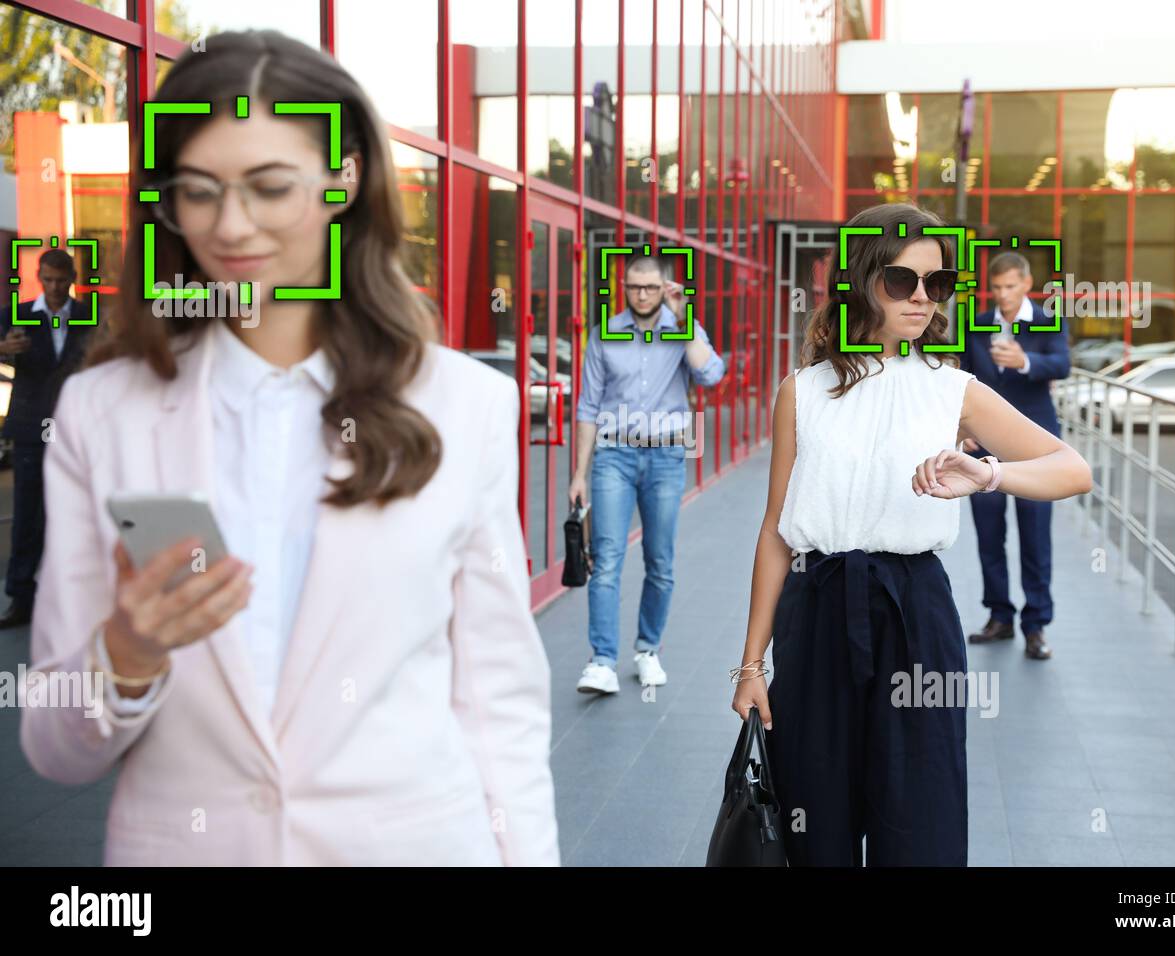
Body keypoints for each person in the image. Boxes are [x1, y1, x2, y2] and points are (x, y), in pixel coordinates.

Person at [19, 29, 559, 866]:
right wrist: (125, 657)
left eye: (270, 187)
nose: (231, 227)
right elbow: (54, 746)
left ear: (343, 180)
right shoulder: (103, 412)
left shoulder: (466, 406)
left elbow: (499, 708)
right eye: (197, 192)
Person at [731, 203, 1091, 866]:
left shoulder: (952, 390)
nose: (923, 297)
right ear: (861, 282)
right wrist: (751, 666)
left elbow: (1072, 469)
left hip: (916, 613)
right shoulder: (802, 391)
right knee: (815, 828)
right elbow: (777, 534)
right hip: (816, 612)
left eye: (938, 283)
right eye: (903, 281)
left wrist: (987, 475)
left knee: (919, 823)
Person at [567, 255, 726, 694]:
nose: (641, 295)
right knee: (607, 559)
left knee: (660, 561)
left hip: (665, 458)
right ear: (625, 287)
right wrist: (578, 473)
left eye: (651, 288)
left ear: (664, 289)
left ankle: (647, 650)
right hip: (613, 456)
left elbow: (711, 373)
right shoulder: (604, 335)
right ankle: (601, 661)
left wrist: (683, 314)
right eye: (634, 287)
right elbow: (587, 408)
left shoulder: (682, 328)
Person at [960, 251, 1072, 660]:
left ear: (1026, 284)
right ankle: (999, 616)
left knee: (1035, 536)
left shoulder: (1048, 320)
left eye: (1011, 287)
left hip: (1035, 446)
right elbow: (962, 375)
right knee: (989, 535)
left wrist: (1026, 361)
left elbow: (1063, 365)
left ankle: (1036, 625)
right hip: (983, 446)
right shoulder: (976, 322)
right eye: (998, 288)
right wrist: (964, 428)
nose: (1004, 295)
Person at [0, 248, 94, 629]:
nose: (54, 288)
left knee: (77, 514)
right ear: (40, 278)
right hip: (30, 426)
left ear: (72, 278)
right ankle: (21, 599)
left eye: (61, 280)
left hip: (77, 430)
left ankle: (75, 599)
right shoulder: (14, 314)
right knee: (27, 515)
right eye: (48, 280)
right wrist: (2, 350)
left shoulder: (90, 315)